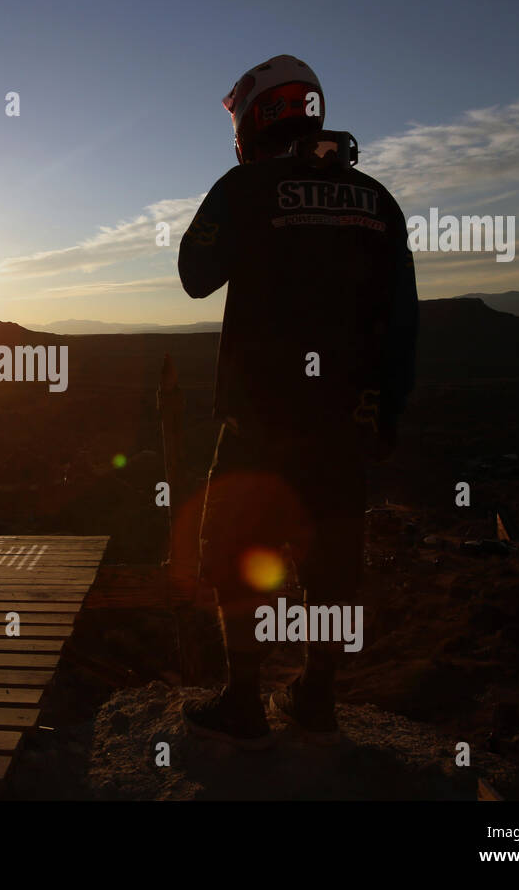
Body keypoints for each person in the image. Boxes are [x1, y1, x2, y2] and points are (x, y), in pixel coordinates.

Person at [177, 56, 418, 748]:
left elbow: (197, 275)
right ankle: (317, 696)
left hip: (259, 418)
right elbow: (403, 319)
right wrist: (388, 412)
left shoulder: (246, 187)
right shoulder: (375, 198)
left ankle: (244, 699)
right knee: (335, 562)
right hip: (346, 423)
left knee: (235, 554)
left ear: (253, 120)